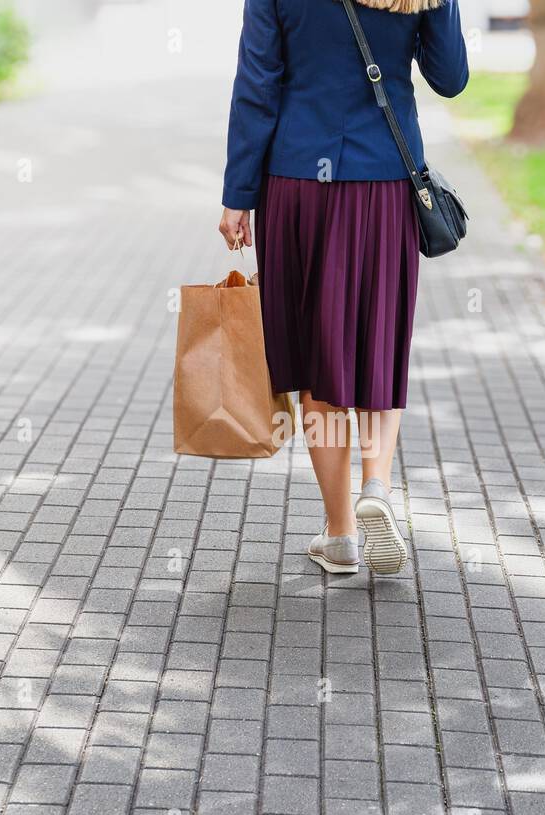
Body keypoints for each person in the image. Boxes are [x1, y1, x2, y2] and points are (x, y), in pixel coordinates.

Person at [218, 0, 469, 575]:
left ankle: (341, 534)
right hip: (383, 183)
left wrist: (238, 194)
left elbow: (257, 83)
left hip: (297, 181)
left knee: (317, 355)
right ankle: (376, 484)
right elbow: (450, 79)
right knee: (376, 341)